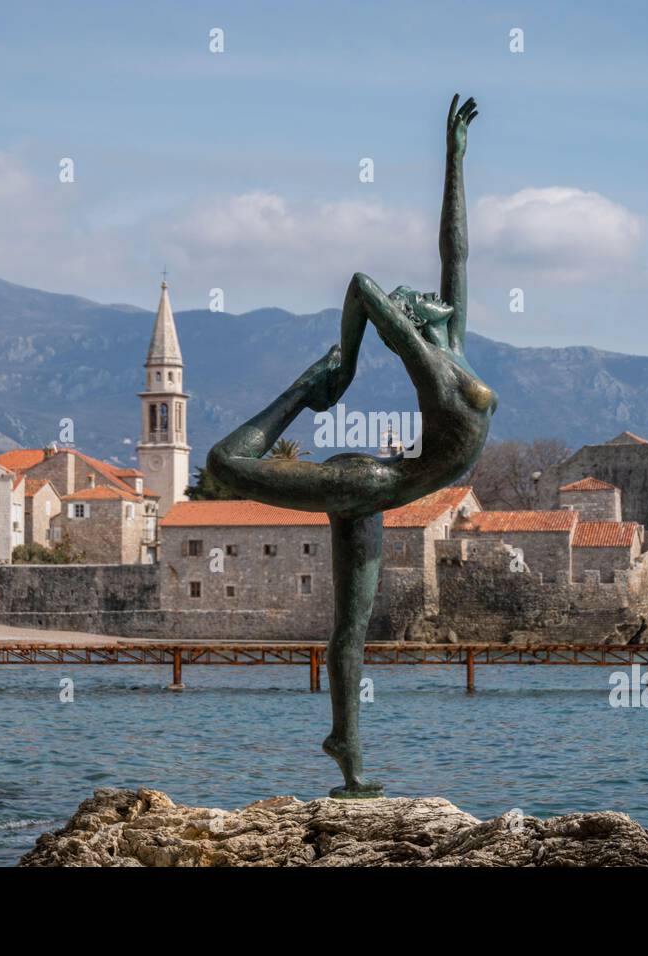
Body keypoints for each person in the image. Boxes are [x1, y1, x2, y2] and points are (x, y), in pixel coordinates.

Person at [207, 95, 496, 797]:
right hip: (364, 486)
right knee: (222, 463)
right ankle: (305, 391)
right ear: (415, 320)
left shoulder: (451, 341)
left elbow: (455, 248)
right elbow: (363, 287)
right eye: (419, 301)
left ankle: (346, 744)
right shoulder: (430, 359)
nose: (432, 295)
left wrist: (454, 159)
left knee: (352, 628)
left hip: (377, 489)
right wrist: (348, 364)